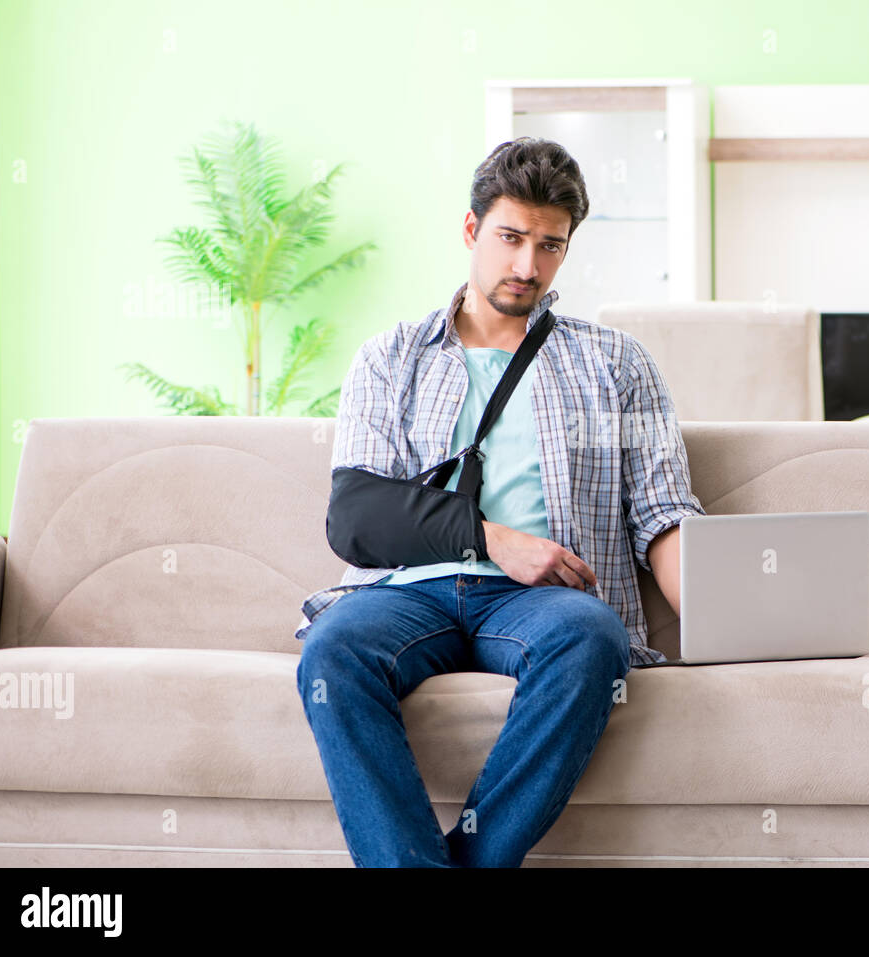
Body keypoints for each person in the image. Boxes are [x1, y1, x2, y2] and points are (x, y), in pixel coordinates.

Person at [293, 136, 704, 867]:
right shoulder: (390, 356)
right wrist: (493, 540)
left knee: (592, 636)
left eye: (551, 245)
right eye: (511, 238)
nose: (527, 265)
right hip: (406, 595)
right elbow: (354, 516)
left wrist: (721, 612)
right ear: (471, 230)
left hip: (540, 604)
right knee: (333, 650)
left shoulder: (616, 363)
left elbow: (664, 513)